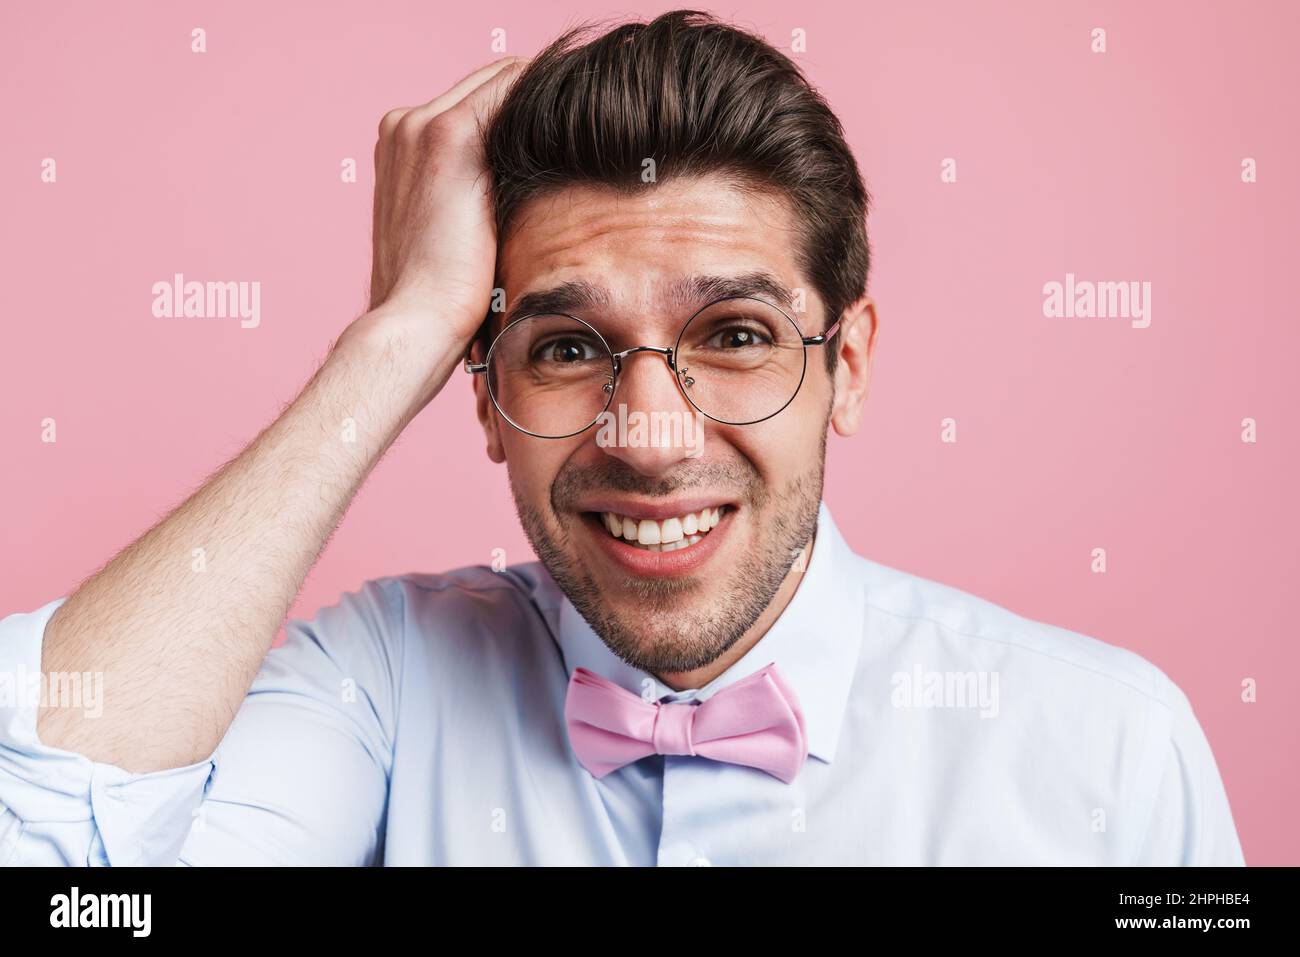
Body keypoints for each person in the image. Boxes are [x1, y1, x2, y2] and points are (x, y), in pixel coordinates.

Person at [0, 10, 1243, 866]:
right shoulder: (381, 688)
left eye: (737, 336)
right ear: (481, 396)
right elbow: (60, 862)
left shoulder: (1109, 746)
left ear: (846, 366)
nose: (649, 438)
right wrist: (396, 338)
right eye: (565, 346)